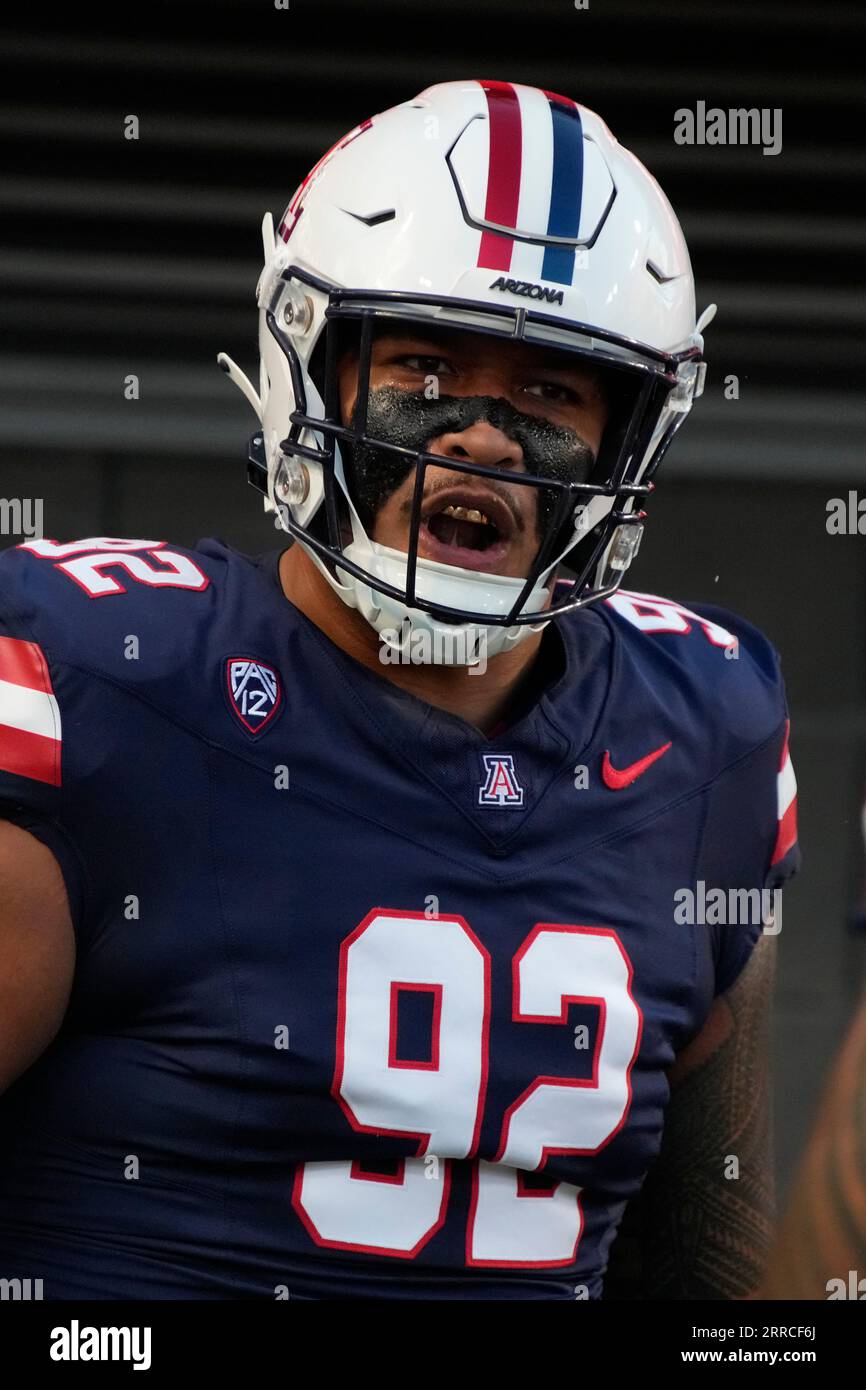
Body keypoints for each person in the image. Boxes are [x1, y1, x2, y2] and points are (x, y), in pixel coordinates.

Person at [0, 79, 798, 1299]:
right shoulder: (95, 677)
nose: (482, 436)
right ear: (309, 369)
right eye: (423, 367)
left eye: (550, 392)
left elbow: (707, 1259)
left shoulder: (708, 729)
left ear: (631, 438)